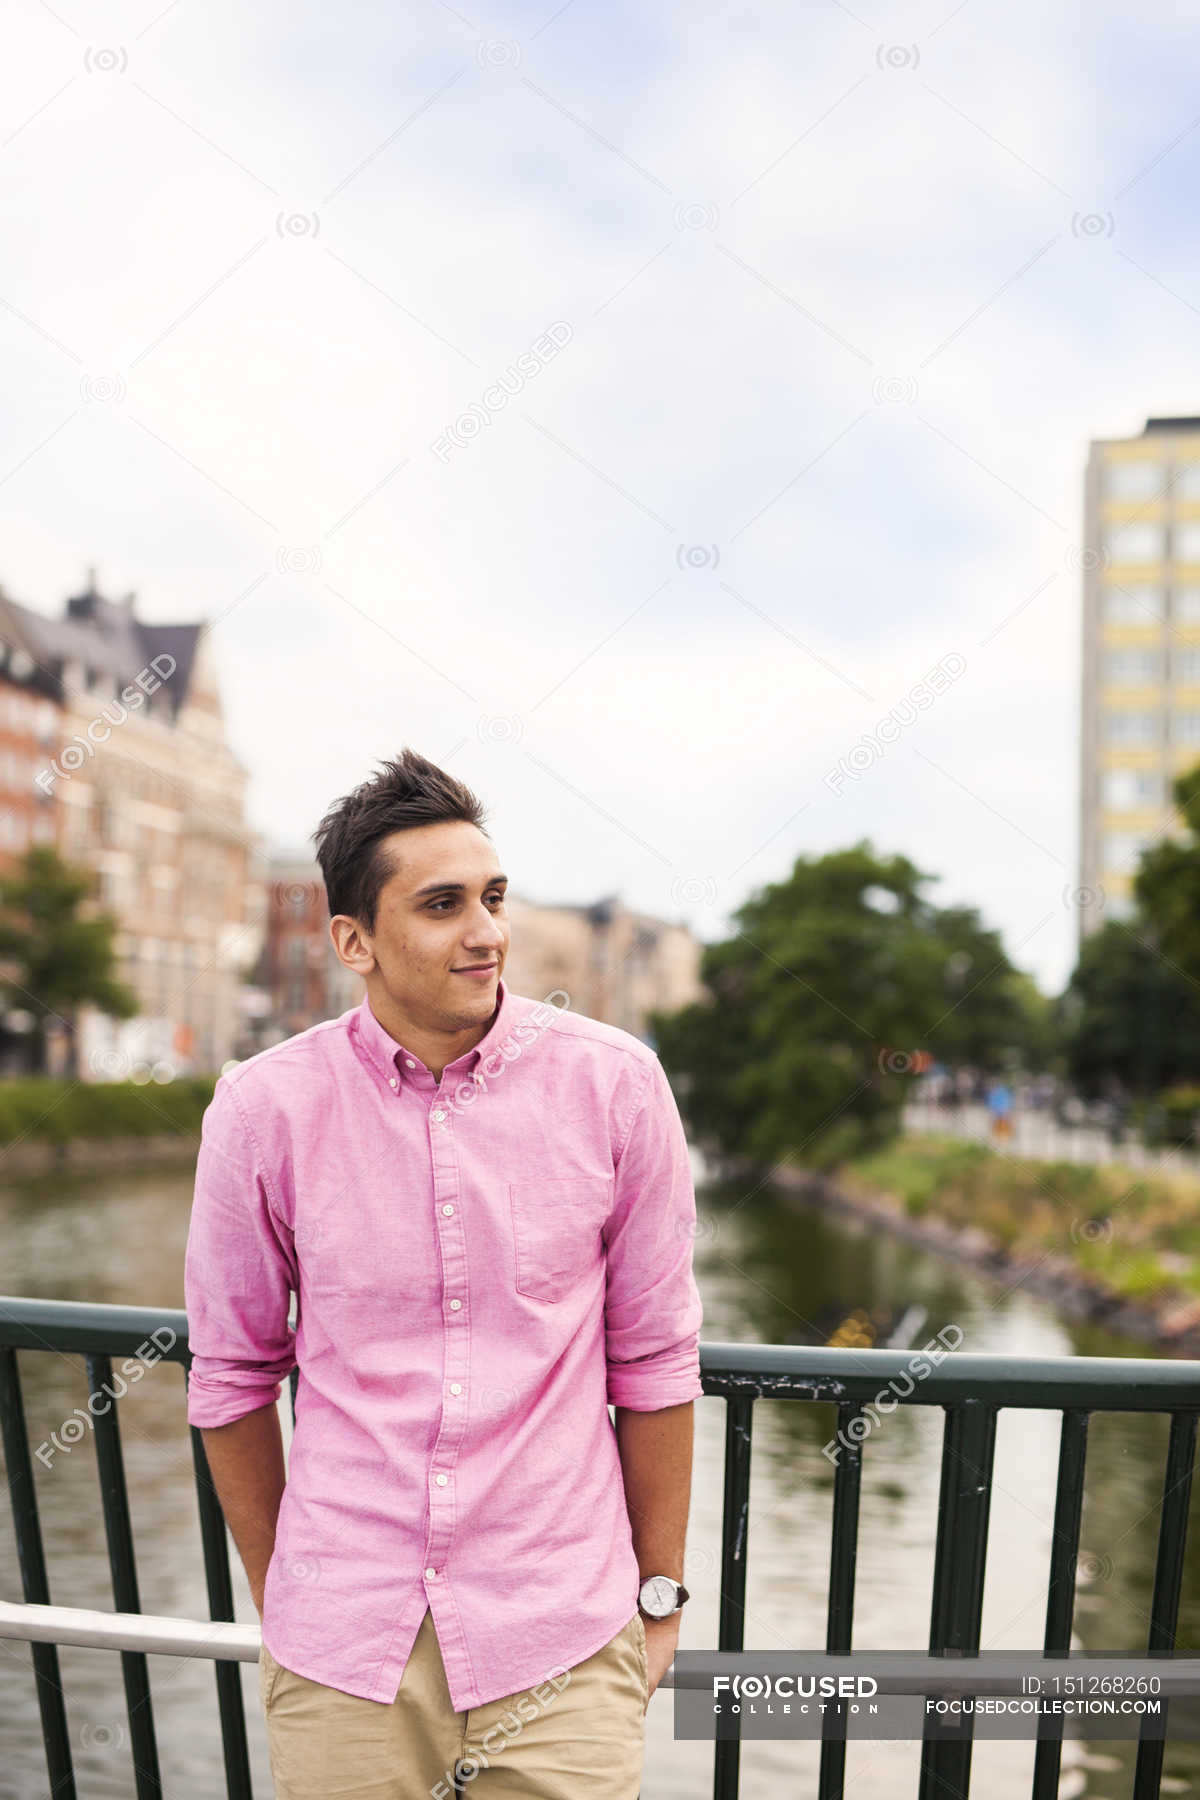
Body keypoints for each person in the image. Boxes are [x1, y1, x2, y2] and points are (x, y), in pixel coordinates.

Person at [183, 749, 703, 1799]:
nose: (488, 933)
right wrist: (288, 1594)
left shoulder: (617, 1085)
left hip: (561, 1634)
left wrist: (658, 1597)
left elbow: (653, 1360)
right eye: (443, 905)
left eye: (494, 896)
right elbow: (231, 1376)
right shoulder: (263, 1109)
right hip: (345, 1648)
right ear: (354, 942)